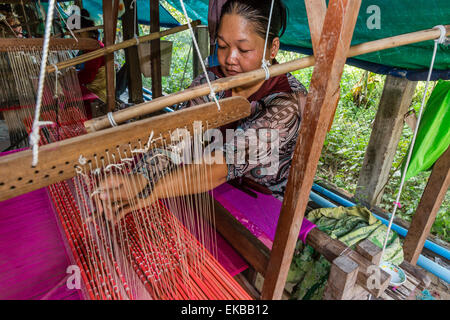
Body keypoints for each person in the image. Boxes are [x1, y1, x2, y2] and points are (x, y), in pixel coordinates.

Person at [96, 0, 308, 221]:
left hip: (263, 210)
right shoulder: (211, 83)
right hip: (209, 194)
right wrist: (138, 179)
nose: (229, 59)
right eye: (223, 46)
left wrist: (150, 192)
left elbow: (221, 165)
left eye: (243, 49)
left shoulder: (288, 102)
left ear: (272, 48)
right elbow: (174, 139)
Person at [77, 9, 107, 103]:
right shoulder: (86, 47)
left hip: (98, 94)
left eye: (79, 34)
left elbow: (89, 75)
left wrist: (70, 80)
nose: (76, 38)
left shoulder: (95, 48)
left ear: (89, 32)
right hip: (89, 88)